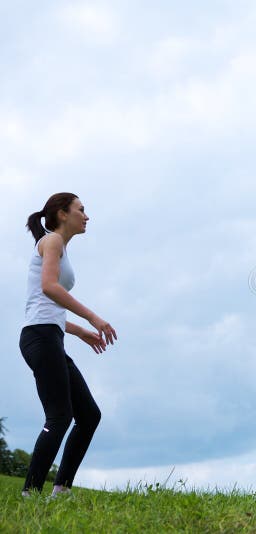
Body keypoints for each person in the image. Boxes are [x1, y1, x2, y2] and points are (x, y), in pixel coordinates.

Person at [19, 193, 117, 497]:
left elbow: (44, 306)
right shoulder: (52, 242)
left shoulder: (58, 247)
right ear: (63, 214)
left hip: (50, 335)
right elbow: (49, 288)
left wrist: (77, 332)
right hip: (40, 337)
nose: (86, 216)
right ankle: (31, 494)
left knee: (88, 415)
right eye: (81, 210)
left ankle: (61, 490)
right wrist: (92, 318)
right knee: (59, 416)